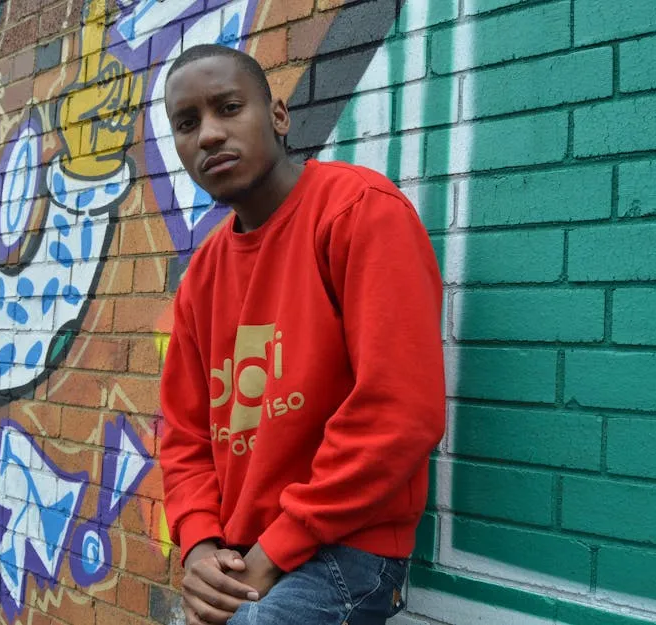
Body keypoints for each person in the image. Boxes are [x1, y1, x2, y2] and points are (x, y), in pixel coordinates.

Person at [159, 44, 446, 625]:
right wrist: (199, 546)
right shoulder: (202, 278)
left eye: (229, 108)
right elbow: (185, 436)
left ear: (279, 117)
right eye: (187, 124)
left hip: (348, 547)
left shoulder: (360, 212)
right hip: (243, 550)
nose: (209, 135)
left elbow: (400, 413)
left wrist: (274, 550)